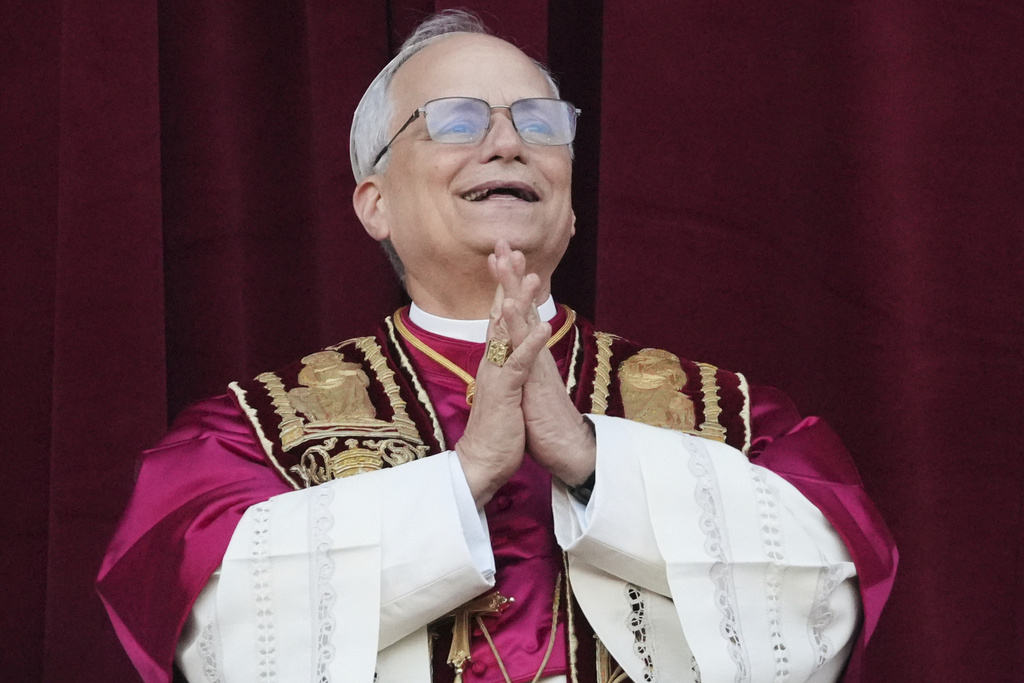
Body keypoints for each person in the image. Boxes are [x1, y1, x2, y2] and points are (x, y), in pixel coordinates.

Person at [97, 11, 897, 683]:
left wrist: (592, 463)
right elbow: (207, 627)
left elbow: (832, 592)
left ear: (572, 202)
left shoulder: (733, 415)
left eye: (540, 123)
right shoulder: (250, 433)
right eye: (457, 119)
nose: (508, 144)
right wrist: (465, 477)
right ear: (375, 203)